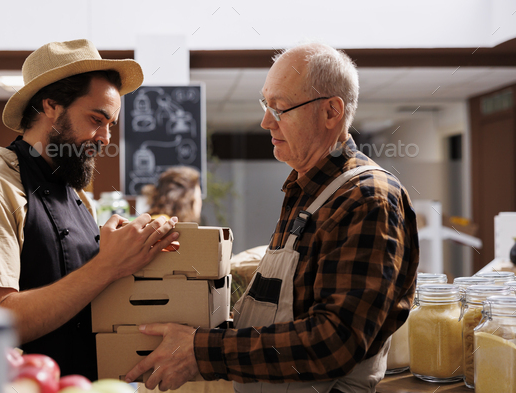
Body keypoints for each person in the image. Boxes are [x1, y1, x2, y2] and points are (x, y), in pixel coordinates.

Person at [125, 42, 420, 393]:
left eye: (280, 108)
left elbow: (334, 341)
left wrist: (201, 351)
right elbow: (289, 314)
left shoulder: (367, 197)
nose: (266, 121)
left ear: (331, 112)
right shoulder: (305, 189)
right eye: (266, 105)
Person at [0, 39, 179, 380]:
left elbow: (81, 290)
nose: (106, 137)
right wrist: (106, 266)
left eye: (111, 124)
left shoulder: (73, 191)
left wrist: (136, 254)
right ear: (51, 106)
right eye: (97, 119)